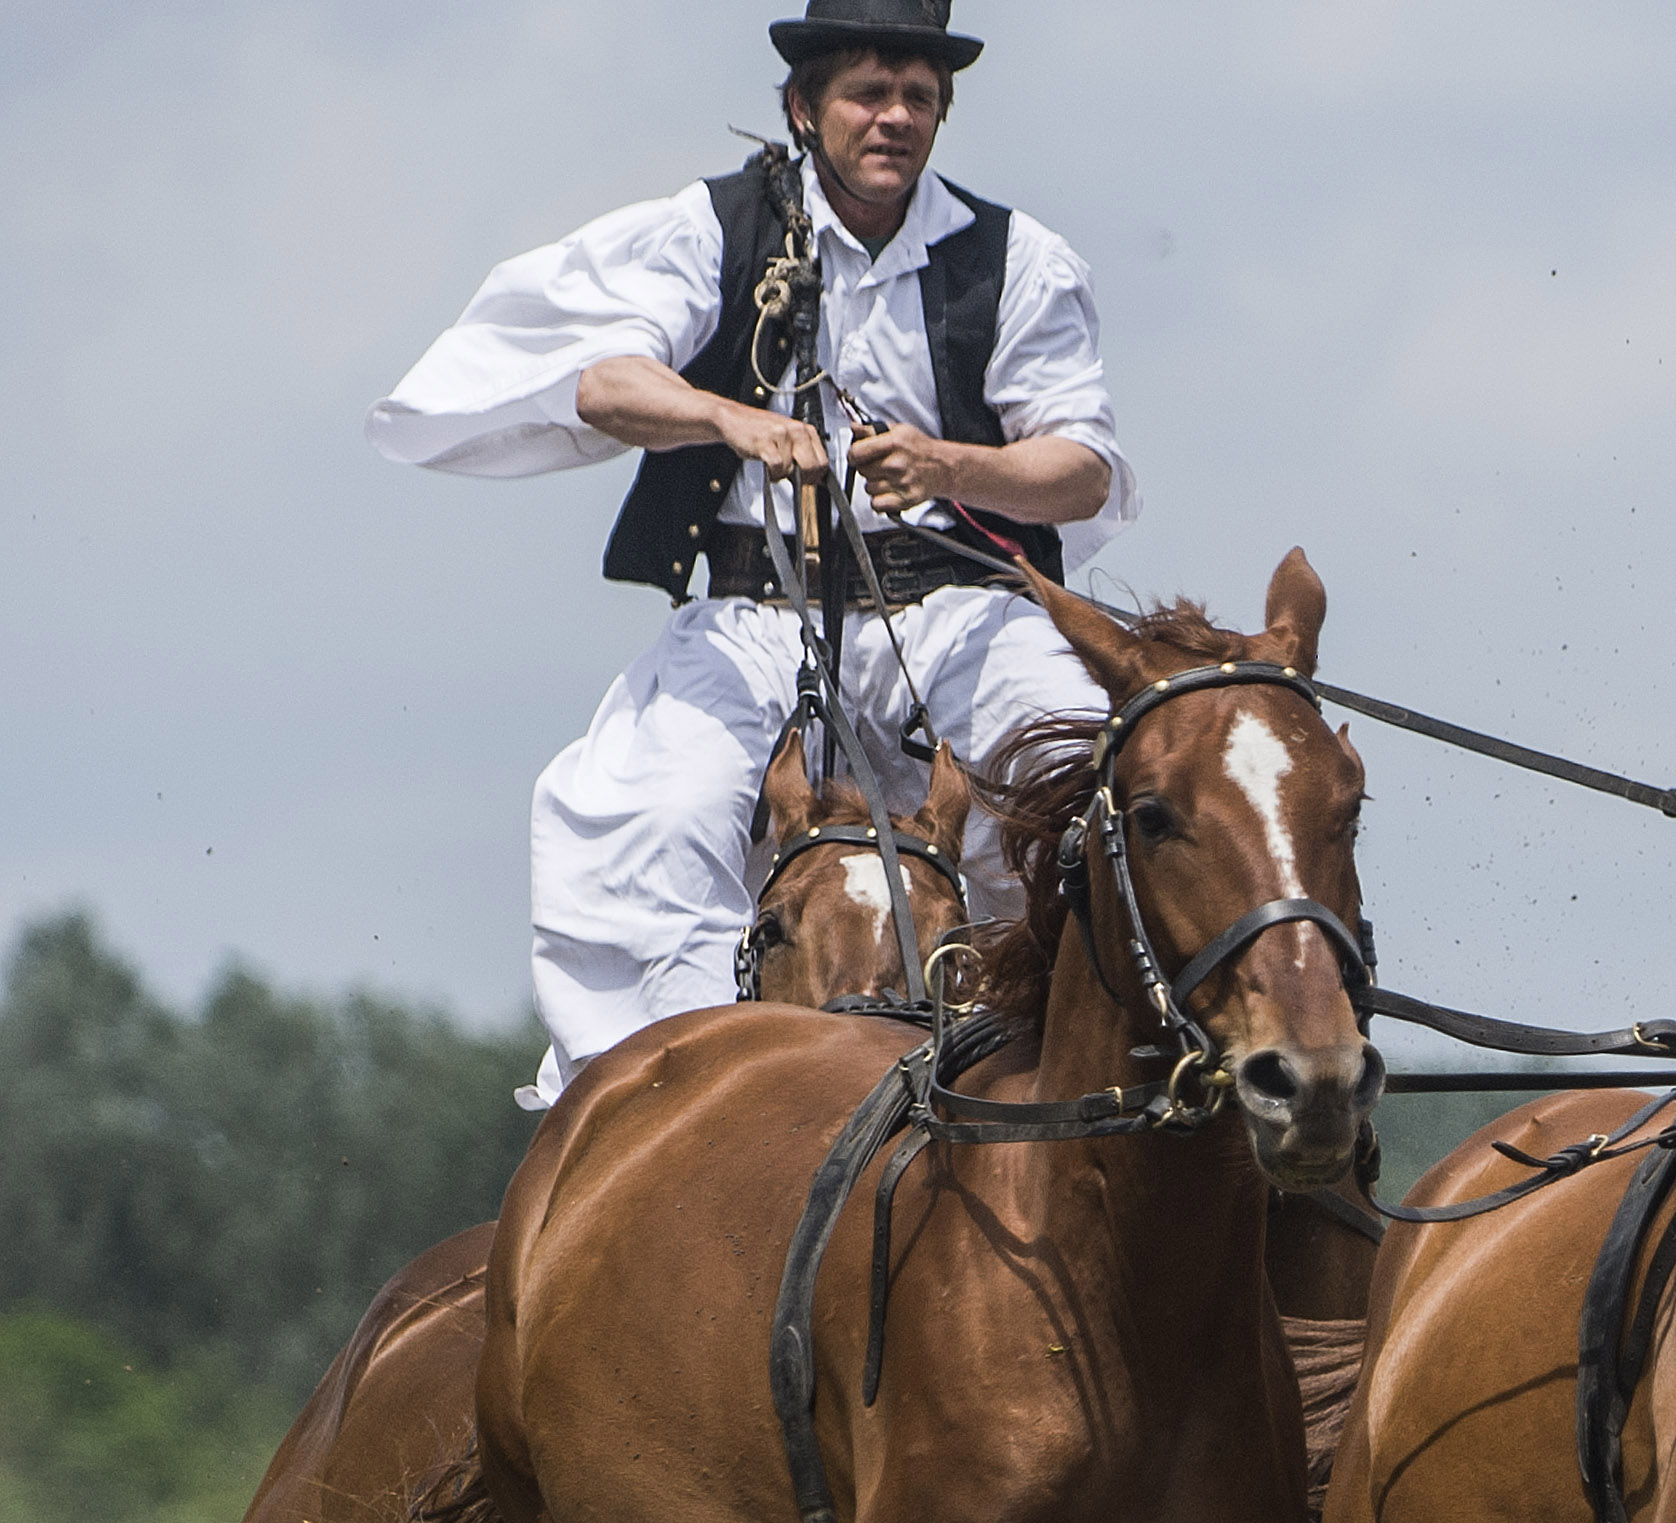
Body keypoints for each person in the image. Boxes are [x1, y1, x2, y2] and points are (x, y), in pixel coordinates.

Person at [368, 0, 1134, 1107]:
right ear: (802, 106)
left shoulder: (1017, 258)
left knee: (1079, 789)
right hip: (755, 611)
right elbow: (603, 381)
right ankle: (667, 1108)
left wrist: (952, 466)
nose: (894, 117)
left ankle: (1068, 1081)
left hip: (962, 608)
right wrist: (729, 420)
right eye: (868, 93)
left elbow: (1082, 468)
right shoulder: (712, 227)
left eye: (917, 96)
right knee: (653, 815)